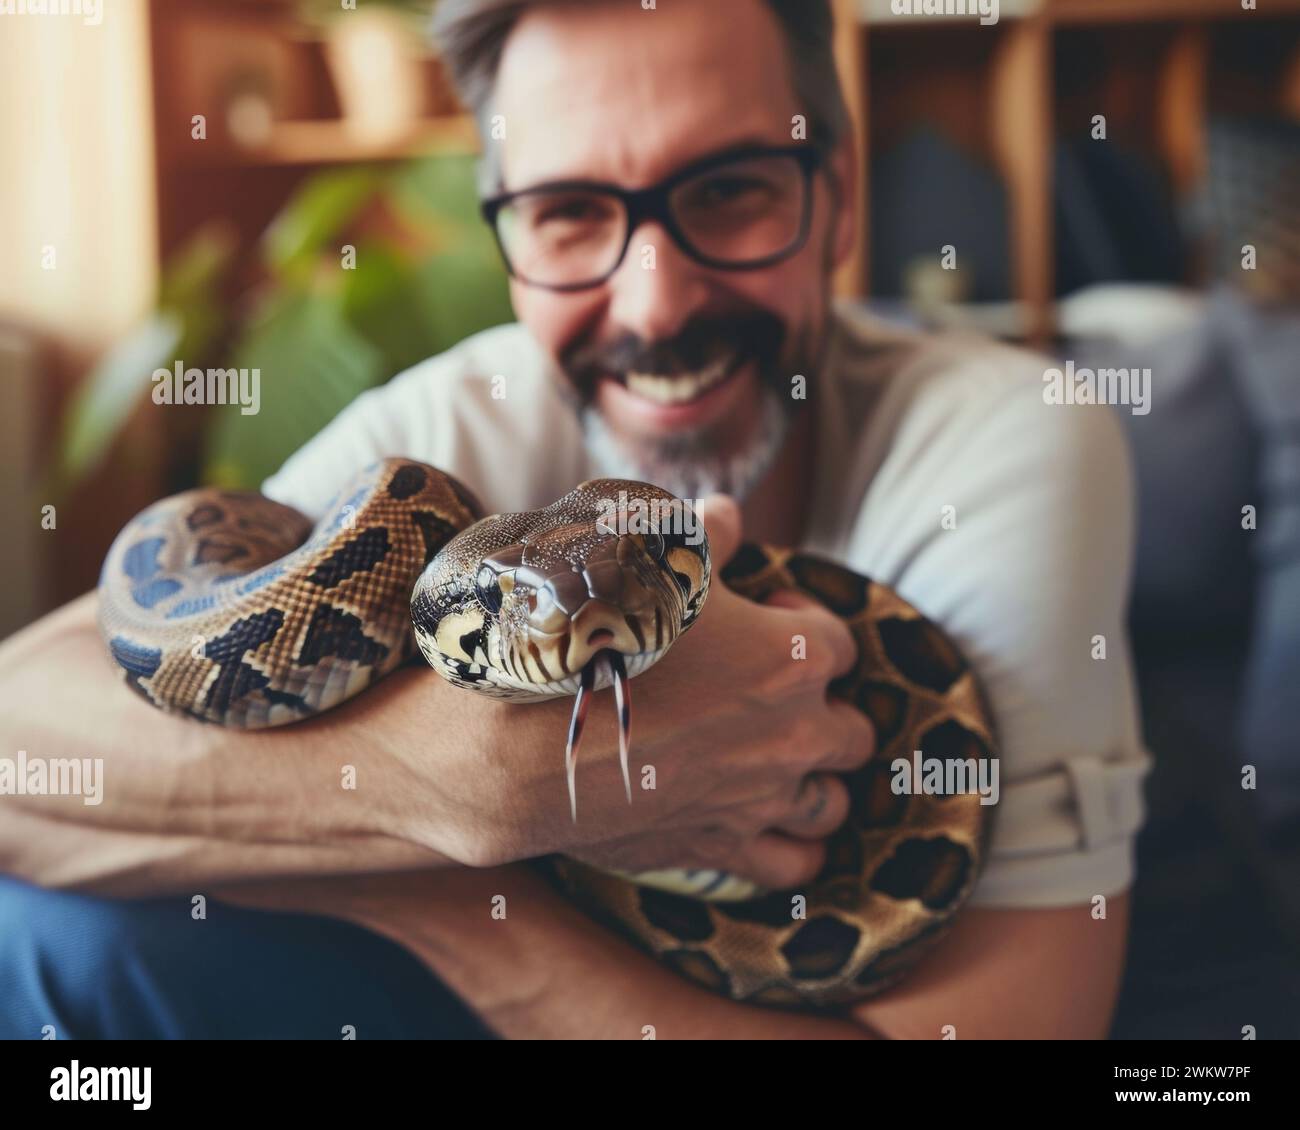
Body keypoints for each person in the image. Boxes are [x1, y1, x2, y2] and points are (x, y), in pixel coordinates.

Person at [0, 0, 1150, 1039]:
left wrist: (430, 880)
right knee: (57, 937)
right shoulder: (437, 443)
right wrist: (450, 795)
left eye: (730, 187)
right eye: (567, 212)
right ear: (503, 237)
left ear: (838, 197)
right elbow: (18, 742)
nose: (655, 301)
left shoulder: (1010, 436)